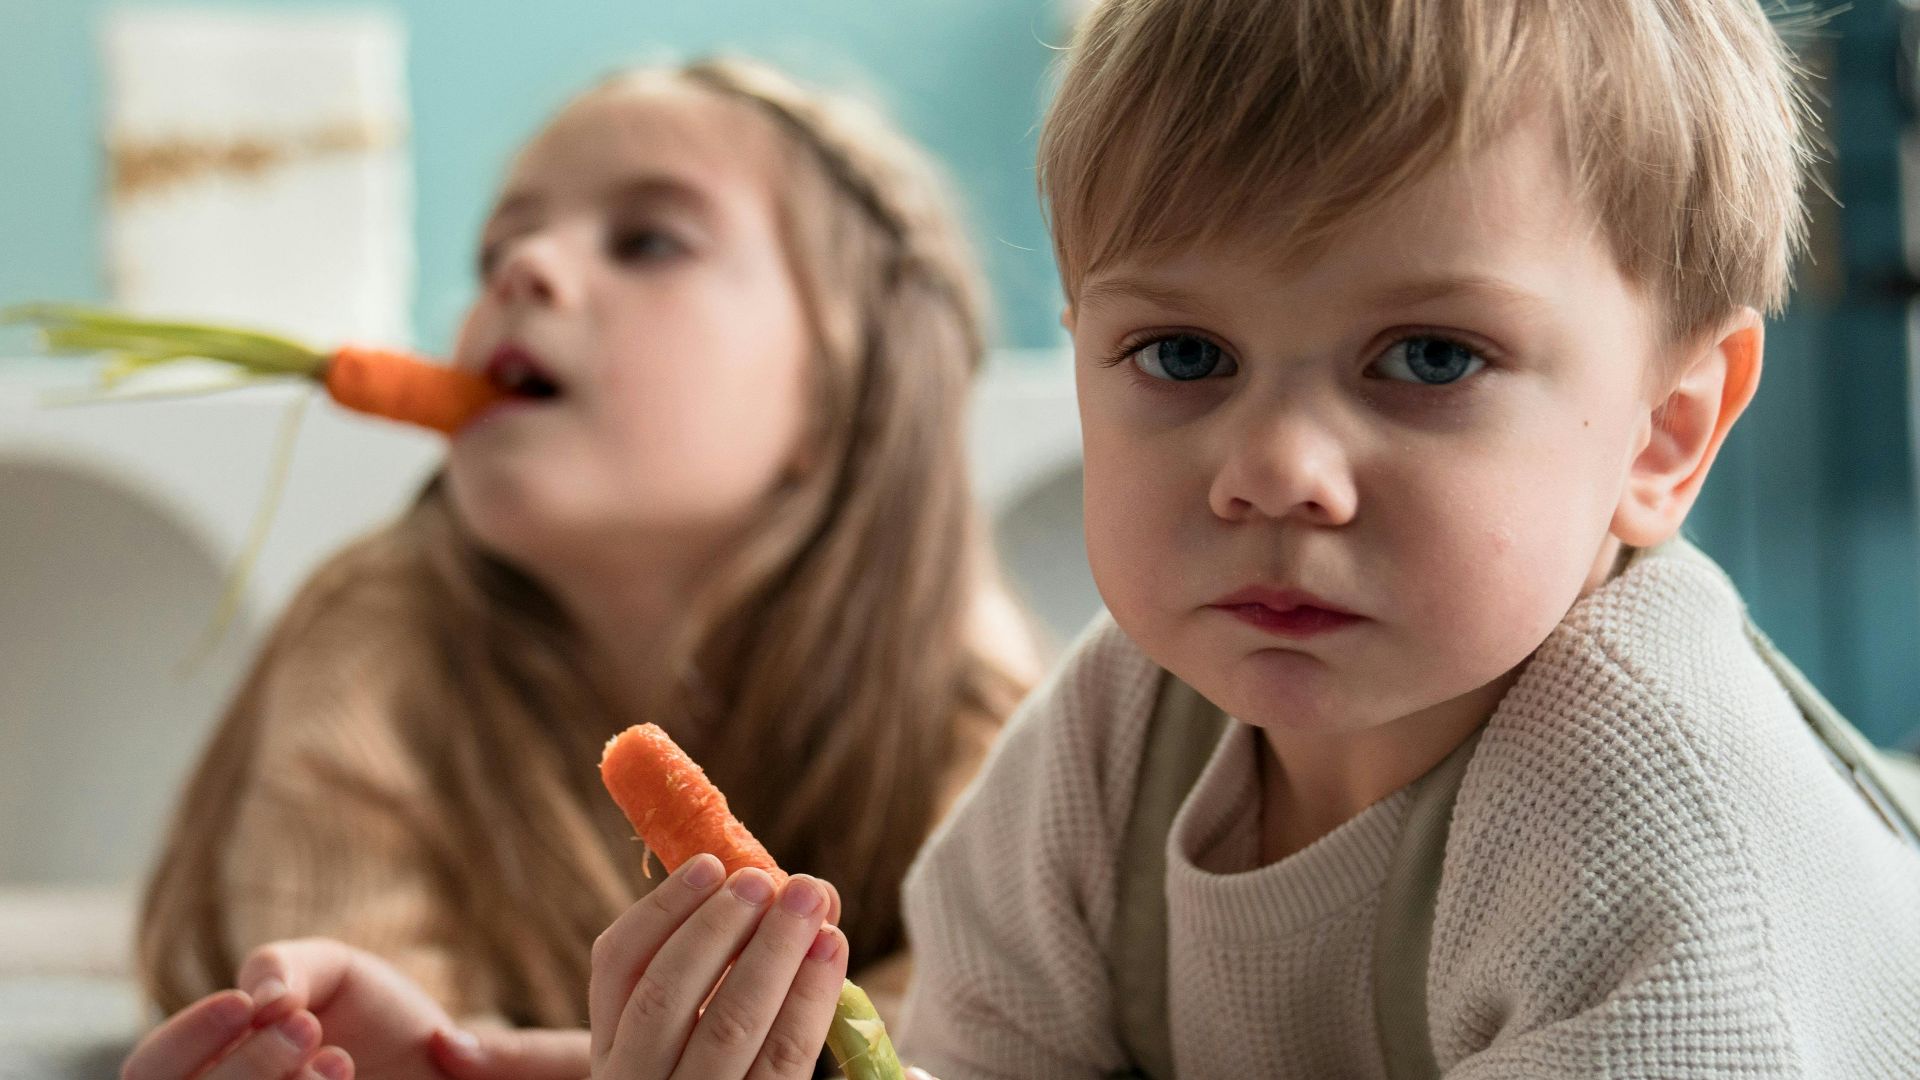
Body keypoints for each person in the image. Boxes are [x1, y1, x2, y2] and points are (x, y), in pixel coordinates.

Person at [892, 0, 1920, 1075]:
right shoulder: (1113, 739)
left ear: (1665, 434)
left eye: (1430, 357)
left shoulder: (1660, 850)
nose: (1277, 473)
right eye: (1184, 355)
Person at [123, 54, 1035, 1079]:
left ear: (844, 390)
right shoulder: (379, 634)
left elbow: (995, 1034)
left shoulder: (977, 693)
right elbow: (391, 1036)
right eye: (498, 247)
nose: (526, 269)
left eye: (647, 239)